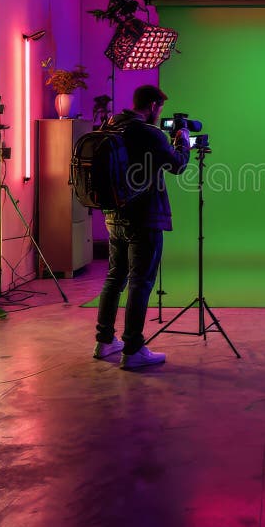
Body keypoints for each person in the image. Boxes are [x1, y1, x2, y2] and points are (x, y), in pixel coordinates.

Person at [93, 84, 191, 369]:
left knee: (114, 278)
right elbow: (178, 165)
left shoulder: (111, 126)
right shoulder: (149, 133)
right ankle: (133, 348)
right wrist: (182, 140)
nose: (159, 115)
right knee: (140, 281)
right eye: (159, 110)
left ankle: (104, 341)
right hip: (145, 218)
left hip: (114, 215)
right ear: (151, 105)